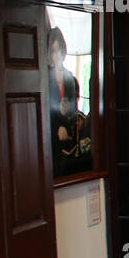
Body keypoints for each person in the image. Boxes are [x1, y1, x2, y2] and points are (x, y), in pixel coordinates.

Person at [48, 27, 83, 176]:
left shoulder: (69, 78)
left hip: (67, 137)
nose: (57, 55)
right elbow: (42, 109)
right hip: (49, 135)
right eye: (54, 51)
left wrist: (64, 124)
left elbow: (72, 110)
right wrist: (56, 126)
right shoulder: (44, 76)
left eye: (59, 50)